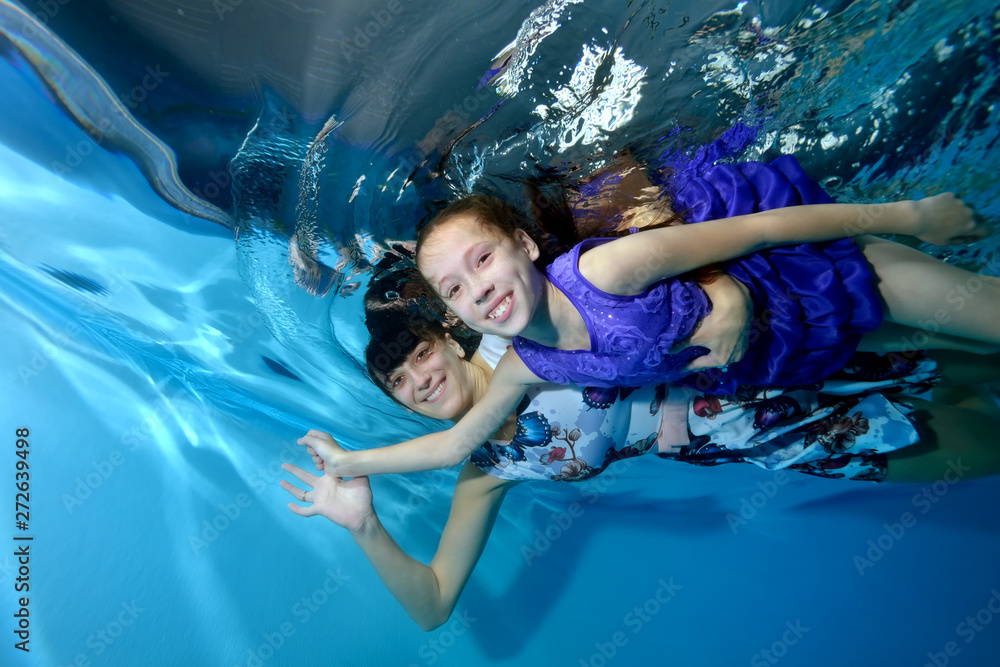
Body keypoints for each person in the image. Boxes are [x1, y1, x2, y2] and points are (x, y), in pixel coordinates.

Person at [280, 310, 1000, 631]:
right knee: (962, 439)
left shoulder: (514, 330)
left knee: (966, 357)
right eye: (399, 382)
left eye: (419, 355)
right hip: (757, 434)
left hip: (753, 355)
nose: (419, 378)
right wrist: (366, 525)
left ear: (445, 334)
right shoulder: (489, 468)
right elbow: (433, 605)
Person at [308, 156, 1000, 477]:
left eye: (482, 261)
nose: (476, 290)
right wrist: (348, 462)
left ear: (523, 243)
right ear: (454, 316)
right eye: (454, 289)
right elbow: (452, 446)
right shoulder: (528, 365)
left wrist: (912, 217)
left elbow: (761, 229)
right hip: (790, 354)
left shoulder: (601, 272)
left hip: (814, 276)